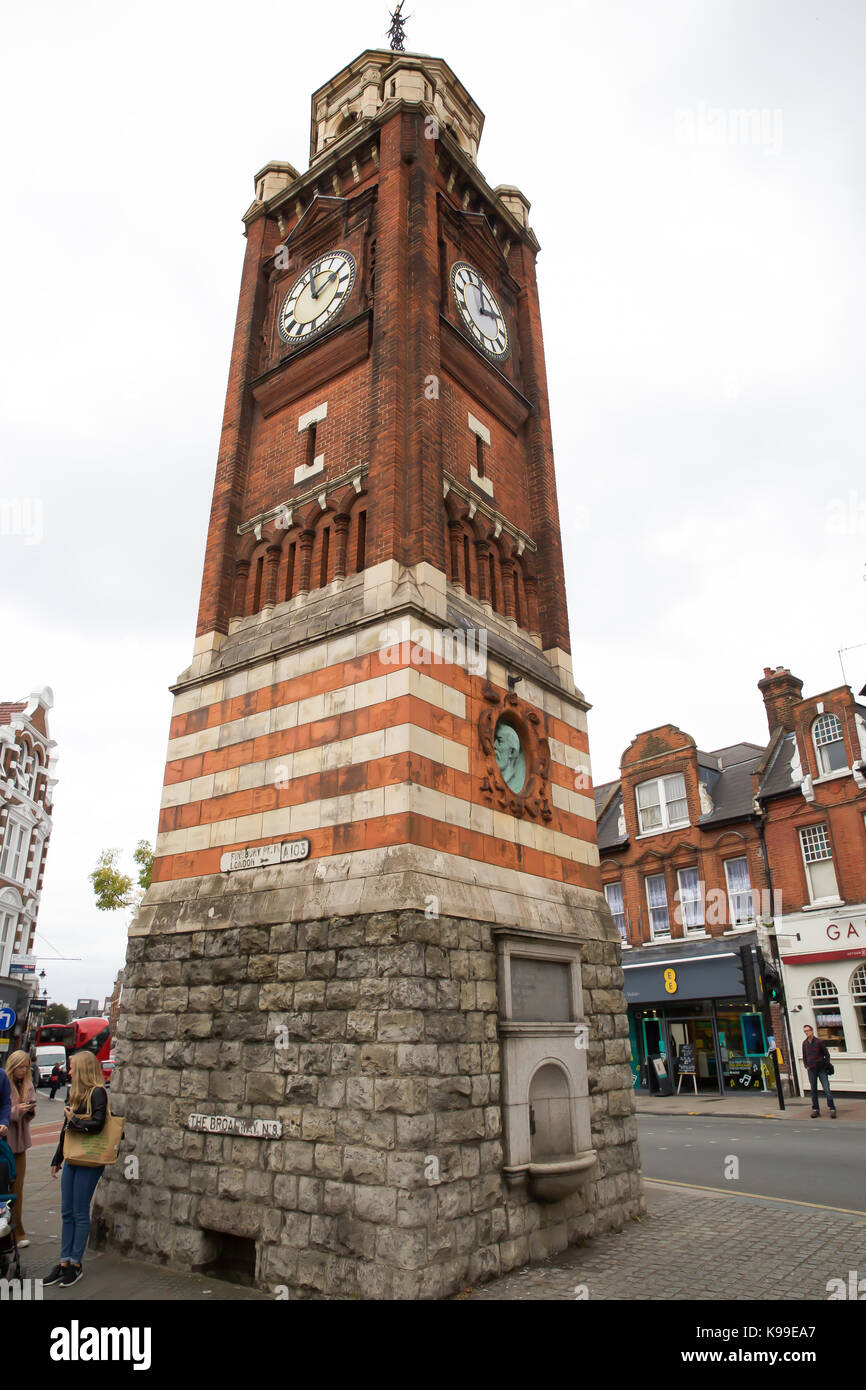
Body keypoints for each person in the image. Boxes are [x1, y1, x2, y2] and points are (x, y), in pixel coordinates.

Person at [44, 1051, 108, 1288]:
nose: (69, 1071)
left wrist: (75, 1121)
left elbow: (99, 1125)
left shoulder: (98, 1093)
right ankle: (63, 1263)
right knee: (66, 1212)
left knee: (80, 1212)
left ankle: (76, 1263)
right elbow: (64, 1130)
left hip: (90, 1160)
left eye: (72, 1067)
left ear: (82, 1069)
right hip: (72, 1157)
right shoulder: (74, 1094)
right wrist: (57, 1158)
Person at [4, 1051, 37, 1247]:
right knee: (4, 1187)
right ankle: (9, 1232)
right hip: (5, 1141)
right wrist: (17, 1111)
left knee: (18, 1189)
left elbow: (31, 1112)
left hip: (20, 1144)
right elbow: (3, 1111)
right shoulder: (4, 1083)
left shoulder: (28, 1084)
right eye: (20, 1067)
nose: (23, 1071)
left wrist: (29, 1110)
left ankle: (17, 1231)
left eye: (26, 1067)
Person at [802, 1023, 837, 1118]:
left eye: (808, 1030)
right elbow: (804, 1056)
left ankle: (832, 1108)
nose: (807, 1032)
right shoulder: (804, 1043)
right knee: (813, 1090)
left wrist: (825, 1064)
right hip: (811, 1069)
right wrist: (806, 1066)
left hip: (821, 1069)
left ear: (812, 1031)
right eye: (805, 1031)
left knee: (827, 1089)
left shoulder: (819, 1042)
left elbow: (827, 1054)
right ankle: (815, 1109)